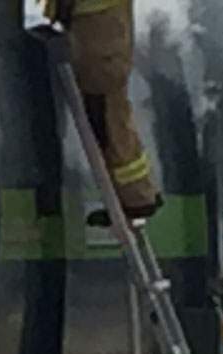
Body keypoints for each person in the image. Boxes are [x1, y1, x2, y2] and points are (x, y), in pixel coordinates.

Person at [50, 0, 164, 223]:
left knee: (106, 123)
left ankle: (136, 200)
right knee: (113, 118)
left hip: (98, 34)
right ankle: (139, 194)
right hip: (102, 26)